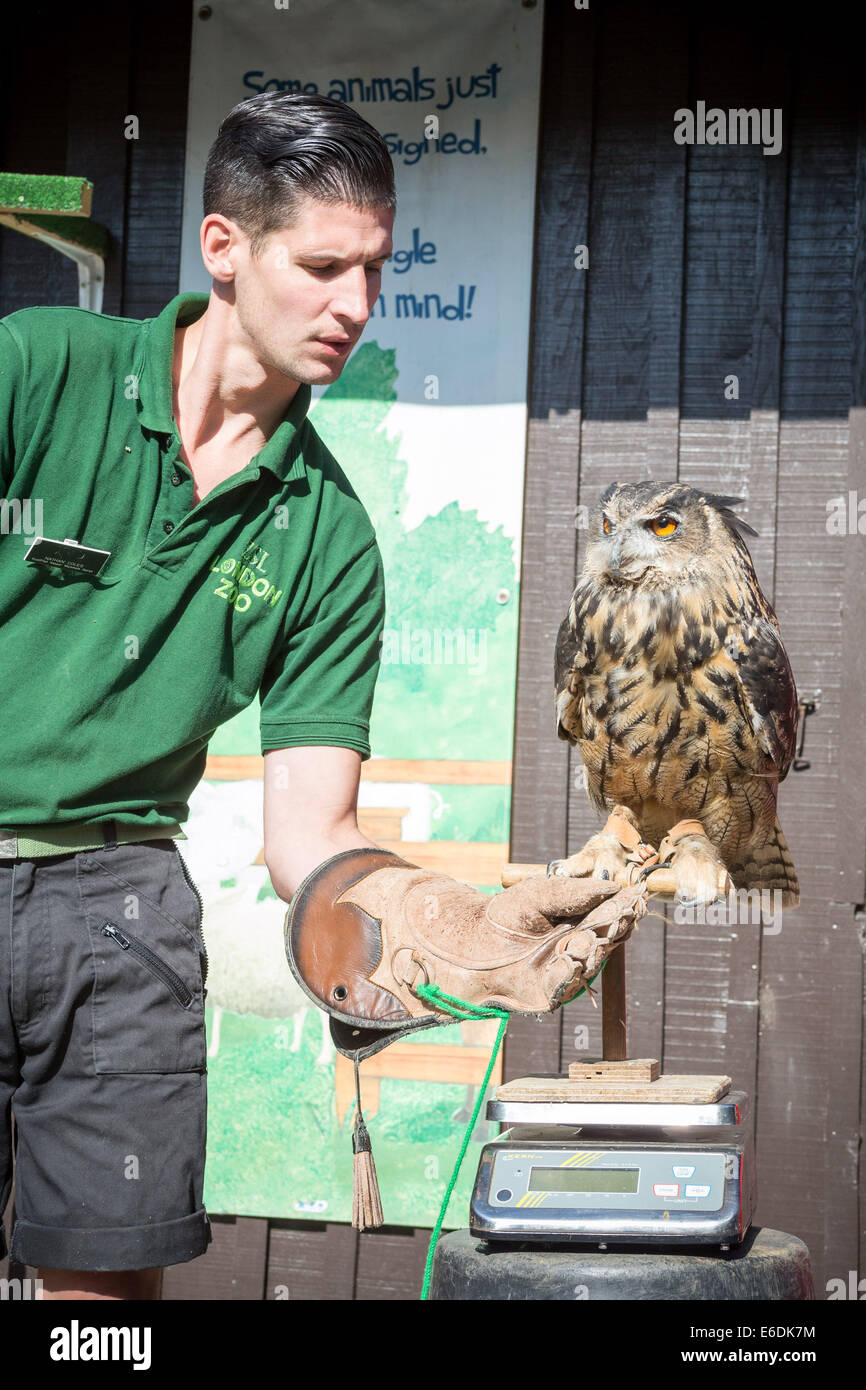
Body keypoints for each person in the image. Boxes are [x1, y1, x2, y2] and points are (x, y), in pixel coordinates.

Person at [0, 90, 395, 1300]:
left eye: (375, 269)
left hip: (119, 919)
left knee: (99, 1315)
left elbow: (308, 836)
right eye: (323, 266)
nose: (357, 307)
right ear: (224, 247)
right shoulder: (36, 368)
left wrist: (417, 933)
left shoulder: (330, 536)